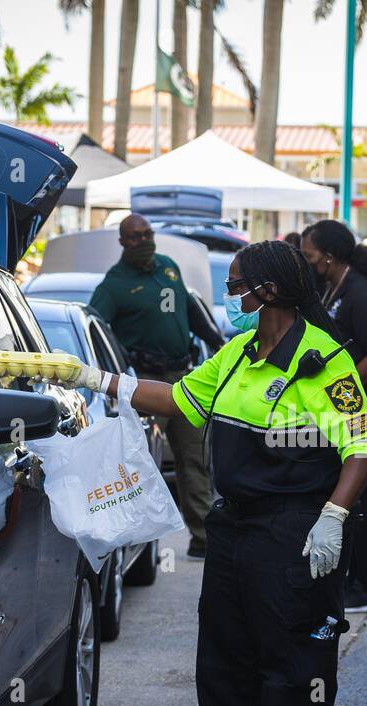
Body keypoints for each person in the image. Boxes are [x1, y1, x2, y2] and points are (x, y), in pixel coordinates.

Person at [70, 240, 367, 706]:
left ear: (267, 291)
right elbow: (179, 400)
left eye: (238, 285)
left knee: (293, 678)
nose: (231, 297)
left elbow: (362, 447)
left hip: (293, 533)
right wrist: (94, 378)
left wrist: (332, 517)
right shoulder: (238, 354)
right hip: (235, 531)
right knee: (226, 672)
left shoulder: (322, 362)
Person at [88, 214, 224, 559]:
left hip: (183, 377)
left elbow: (191, 311)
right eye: (135, 236)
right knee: (138, 463)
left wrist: (217, 341)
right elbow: (97, 330)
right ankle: (134, 542)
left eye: (148, 234)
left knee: (194, 458)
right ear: (122, 242)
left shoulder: (168, 268)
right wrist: (117, 368)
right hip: (144, 382)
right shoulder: (113, 285)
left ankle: (203, 537)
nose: (145, 241)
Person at [300, 219, 367, 613]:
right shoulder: (336, 287)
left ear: (328, 258)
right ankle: (352, 579)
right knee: (355, 489)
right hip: (360, 399)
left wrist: (336, 389)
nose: (306, 262)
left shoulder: (360, 295)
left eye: (310, 256)